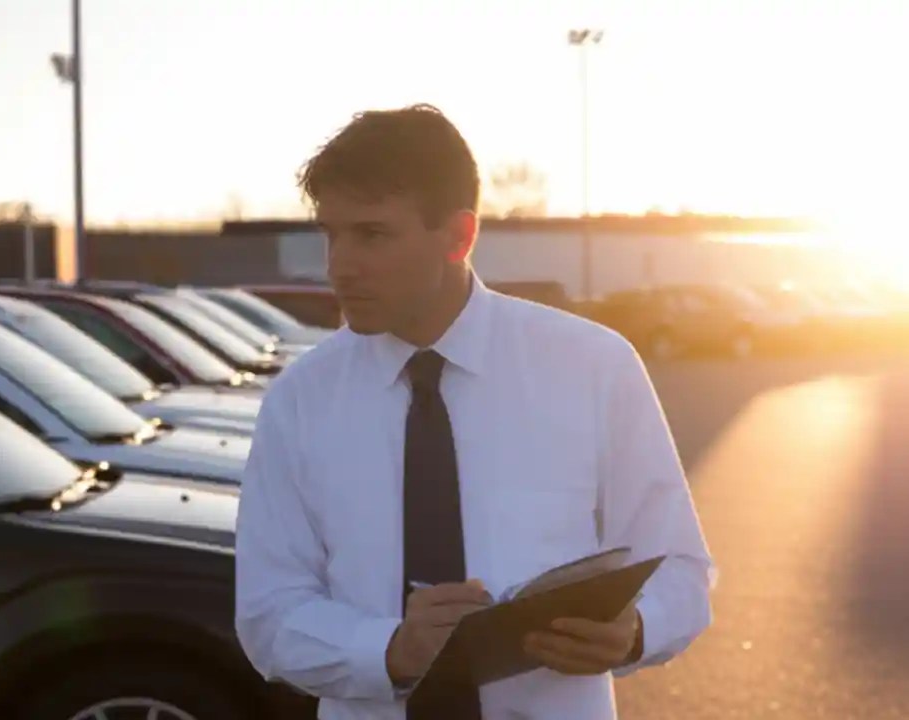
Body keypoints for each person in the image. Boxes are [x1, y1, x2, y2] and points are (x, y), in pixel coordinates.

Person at [235, 104, 714, 719]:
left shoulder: (594, 367)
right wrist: (389, 650)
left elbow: (679, 569)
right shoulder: (300, 400)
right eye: (331, 233)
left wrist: (638, 630)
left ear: (460, 236)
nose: (338, 265)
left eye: (372, 234)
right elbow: (268, 615)